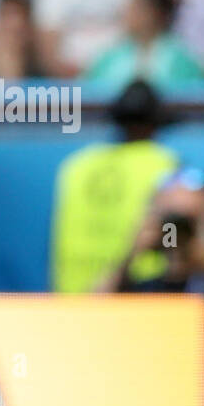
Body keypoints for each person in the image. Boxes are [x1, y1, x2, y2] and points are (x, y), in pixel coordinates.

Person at [50, 79, 179, 294]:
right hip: (138, 298)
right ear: (156, 125)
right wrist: (171, 245)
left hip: (70, 300)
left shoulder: (75, 166)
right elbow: (172, 233)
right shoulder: (166, 165)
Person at [85, 0, 204, 94]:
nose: (130, 15)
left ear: (158, 15)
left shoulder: (180, 58)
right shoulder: (112, 55)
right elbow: (89, 90)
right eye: (130, 9)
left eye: (138, 10)